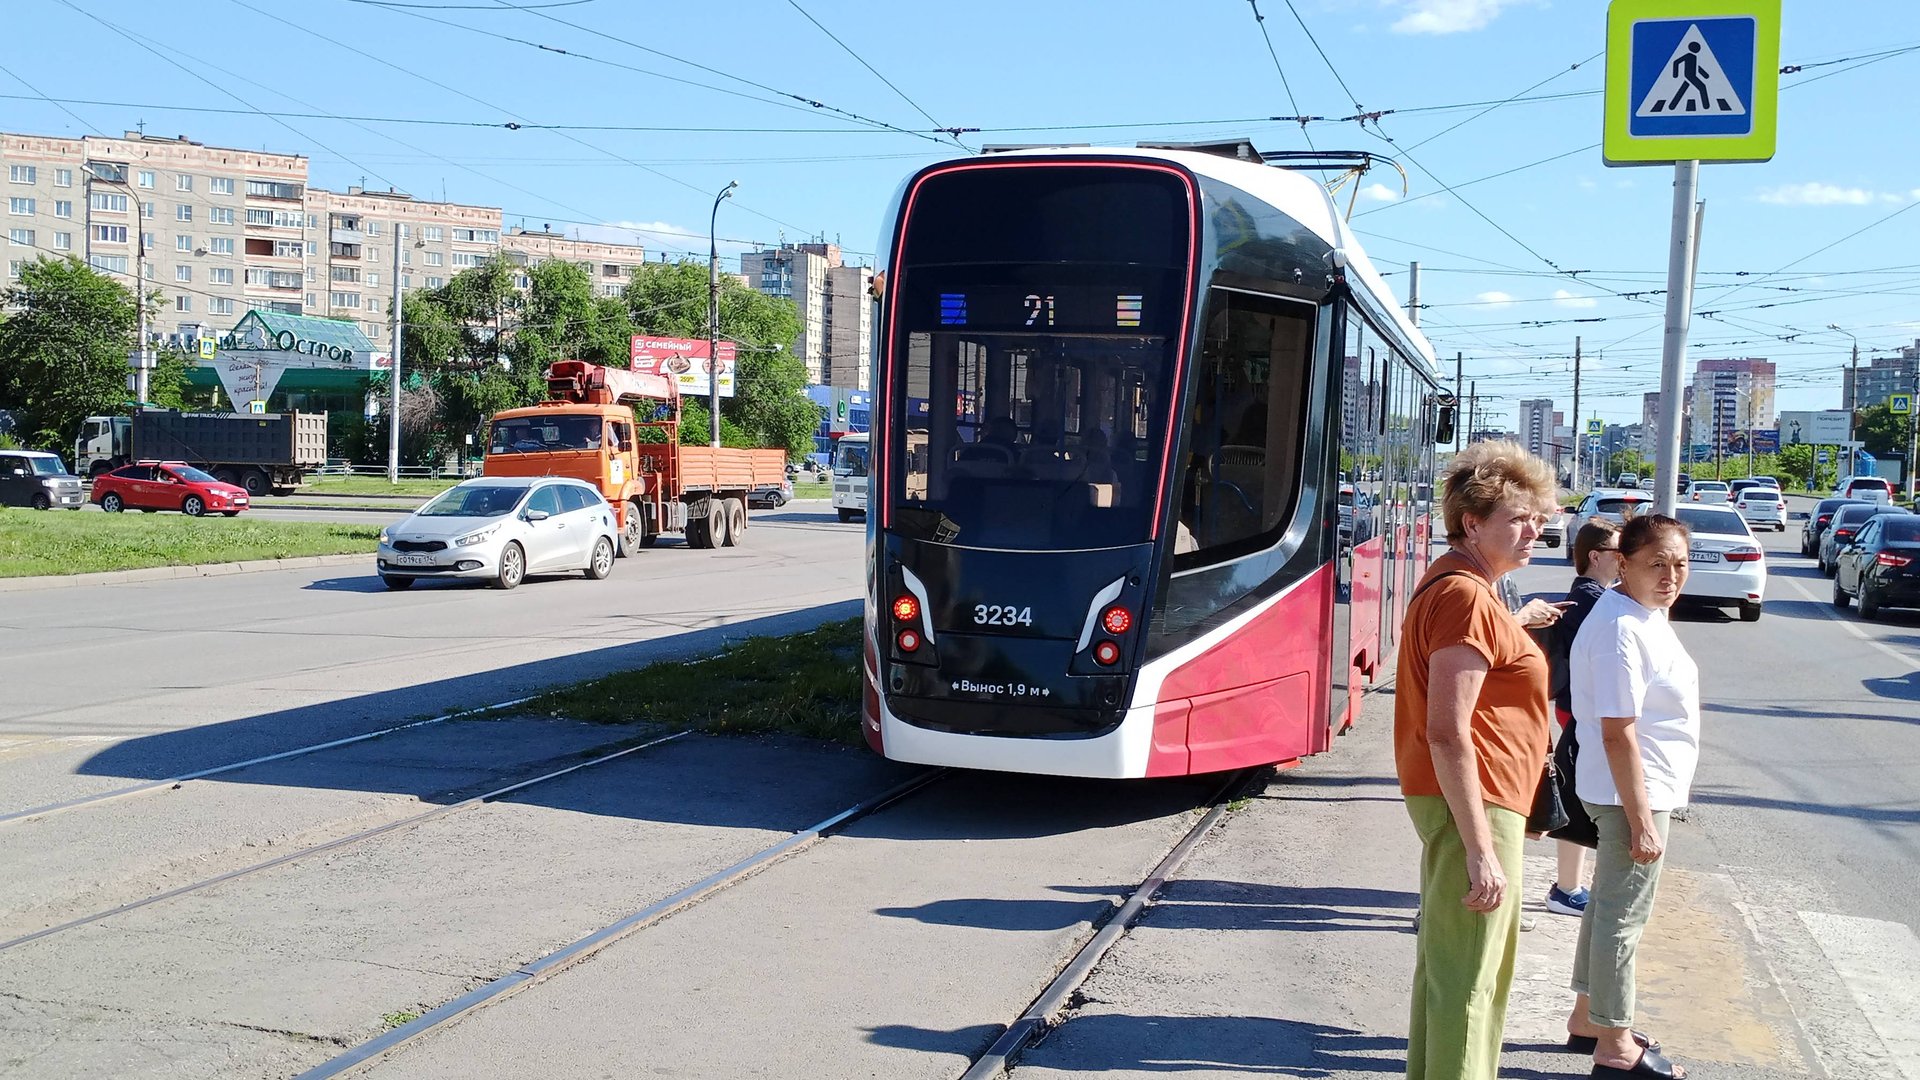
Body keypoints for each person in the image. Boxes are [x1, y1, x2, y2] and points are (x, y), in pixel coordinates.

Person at [1394, 439, 1560, 1080]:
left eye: (1540, 519)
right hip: (1477, 806)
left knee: (1451, 972)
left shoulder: (1464, 587)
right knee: (1472, 983)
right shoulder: (1466, 597)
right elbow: (1447, 731)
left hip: (1481, 801)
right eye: (1519, 518)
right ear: (1472, 522)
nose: (1534, 532)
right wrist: (1481, 848)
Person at [1565, 513, 1699, 1080]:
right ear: (1622, 563)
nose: (1670, 576)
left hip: (1631, 788)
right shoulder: (1622, 627)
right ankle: (1615, 1045)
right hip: (1631, 794)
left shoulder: (1641, 613)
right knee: (1625, 916)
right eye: (1656, 564)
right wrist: (1643, 819)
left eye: (1679, 565)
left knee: (1605, 906)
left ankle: (1588, 1019)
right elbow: (1618, 729)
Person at [1546, 518, 1624, 919]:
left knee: (1579, 791)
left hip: (1576, 705)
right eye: (1618, 552)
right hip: (1579, 707)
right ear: (1595, 556)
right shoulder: (1594, 600)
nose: (1623, 559)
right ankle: (1566, 887)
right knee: (1579, 793)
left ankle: (1568, 884)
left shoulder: (1594, 595)